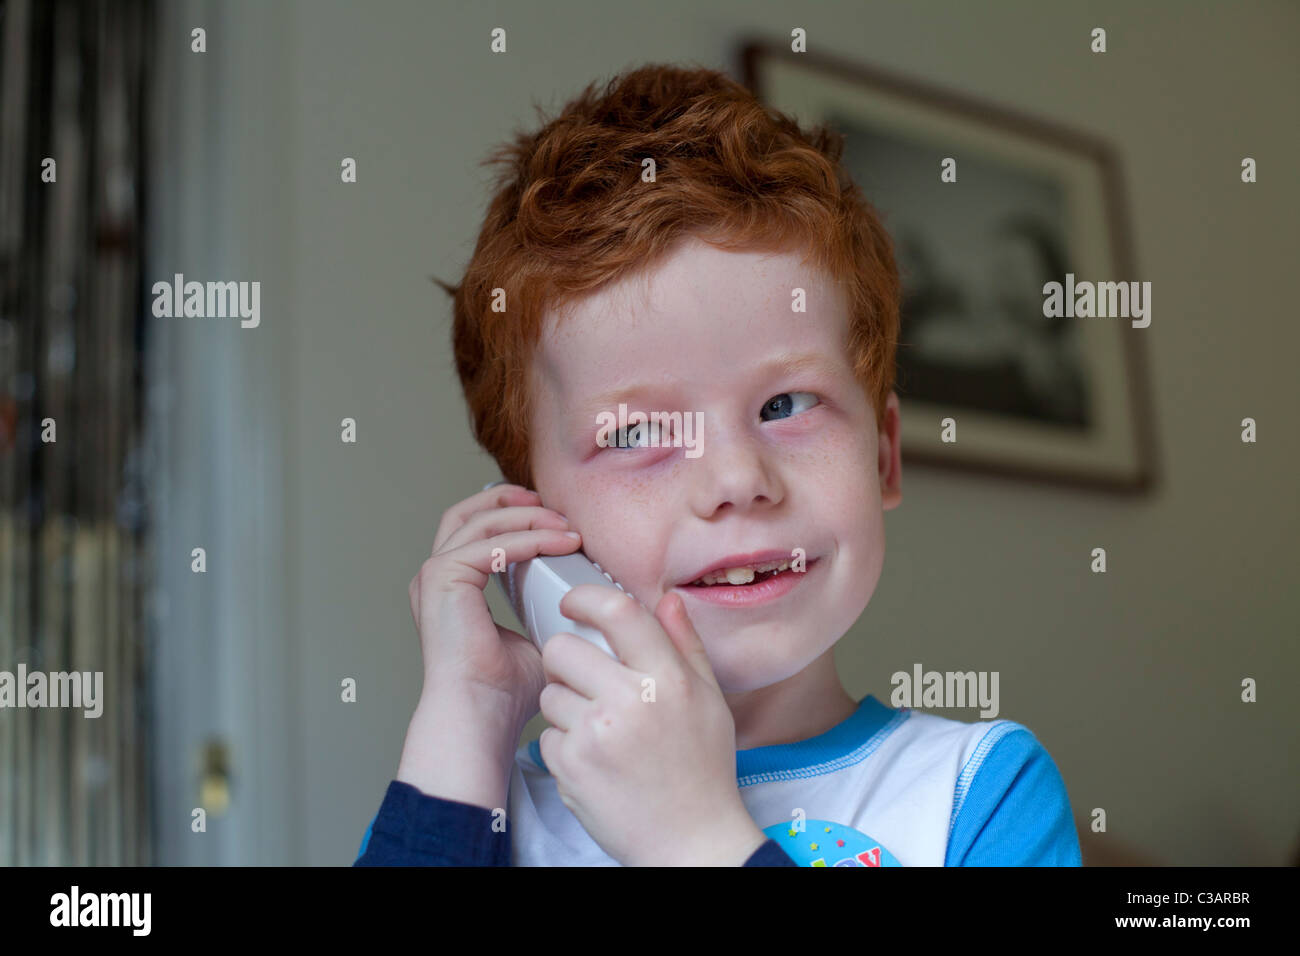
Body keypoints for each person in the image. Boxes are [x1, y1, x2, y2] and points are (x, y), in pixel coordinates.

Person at [353, 64, 1080, 867]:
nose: (737, 480)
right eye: (638, 433)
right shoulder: (481, 816)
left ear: (882, 455)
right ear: (531, 526)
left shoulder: (977, 791)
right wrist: (471, 711)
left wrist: (693, 840)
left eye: (784, 405)